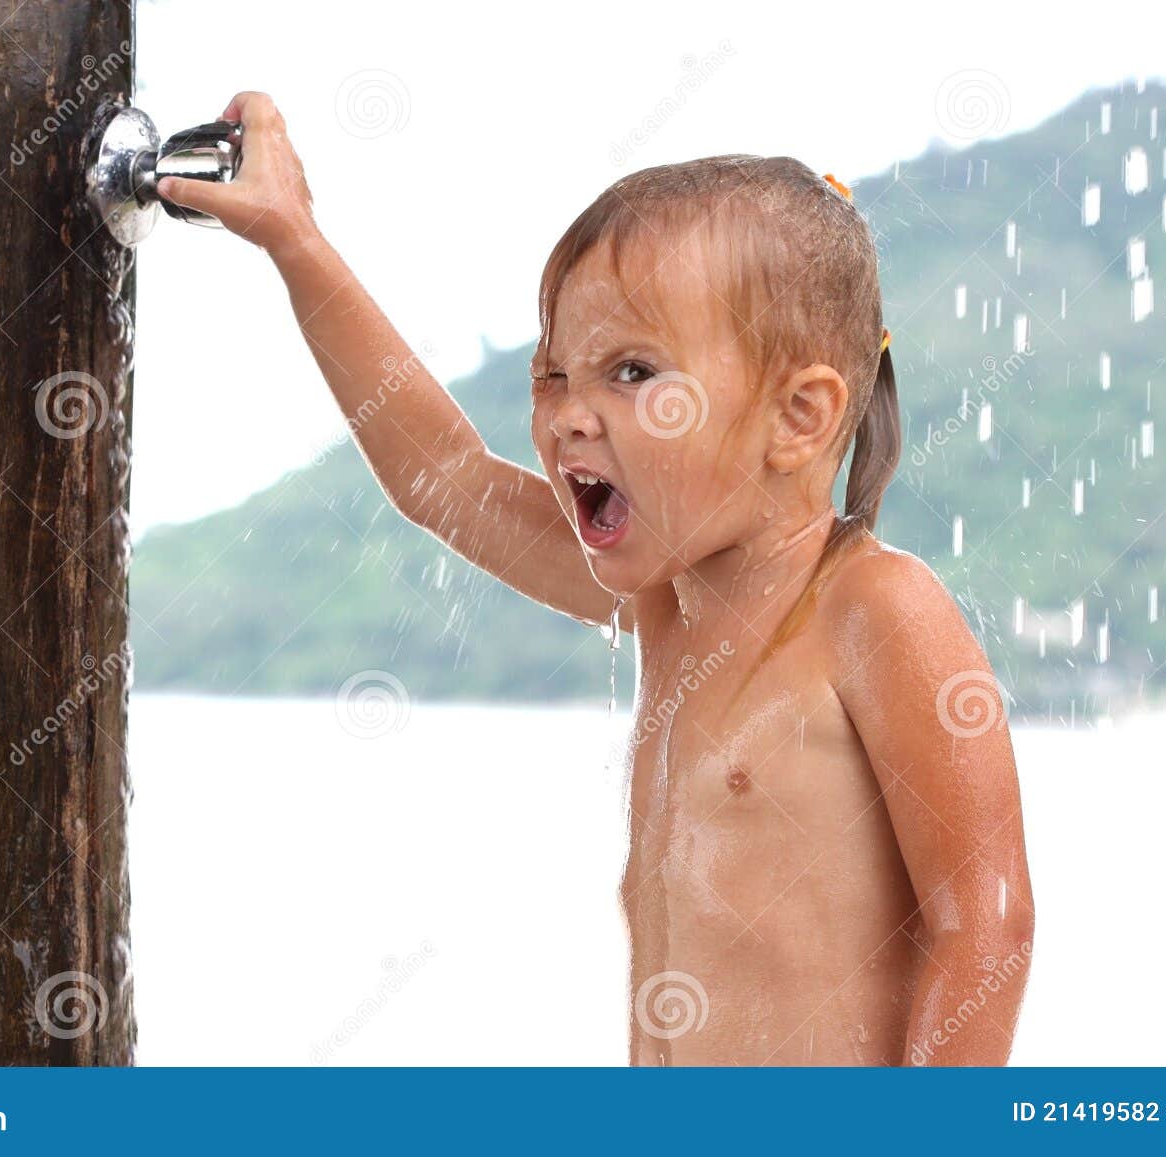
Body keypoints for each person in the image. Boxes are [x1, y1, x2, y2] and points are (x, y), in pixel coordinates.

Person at [160, 92, 1035, 1066]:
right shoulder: (668, 609)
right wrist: (296, 240)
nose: (570, 415)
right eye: (552, 374)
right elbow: (437, 476)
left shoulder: (874, 610)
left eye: (628, 373)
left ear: (798, 416)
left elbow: (984, 925)